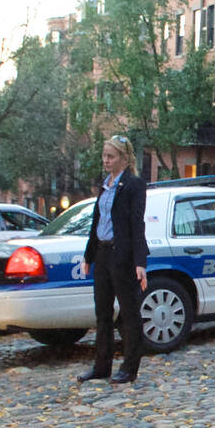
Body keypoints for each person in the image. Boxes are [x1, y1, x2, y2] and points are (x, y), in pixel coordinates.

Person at [79, 135, 148, 385]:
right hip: (102, 253)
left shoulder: (134, 185)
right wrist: (89, 255)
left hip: (123, 255)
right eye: (104, 156)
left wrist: (140, 262)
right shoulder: (105, 185)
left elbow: (136, 224)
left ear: (124, 159)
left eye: (111, 156)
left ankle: (129, 368)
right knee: (102, 313)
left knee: (129, 313)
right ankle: (102, 365)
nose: (105, 161)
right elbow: (97, 222)